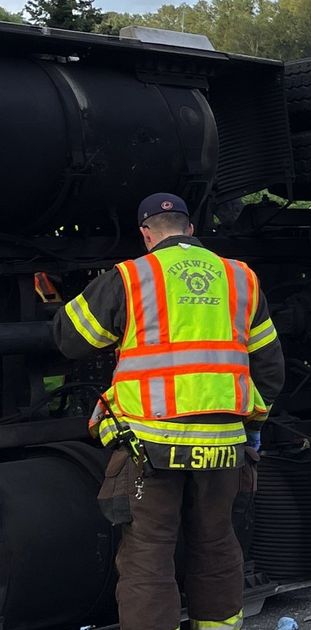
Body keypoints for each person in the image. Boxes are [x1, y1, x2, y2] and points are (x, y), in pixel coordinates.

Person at [53, 192, 285, 630]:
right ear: (191, 229)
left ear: (146, 234)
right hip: (223, 443)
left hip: (149, 444)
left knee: (148, 552)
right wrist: (253, 424)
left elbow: (70, 339)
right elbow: (270, 367)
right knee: (217, 541)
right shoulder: (241, 278)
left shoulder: (130, 277)